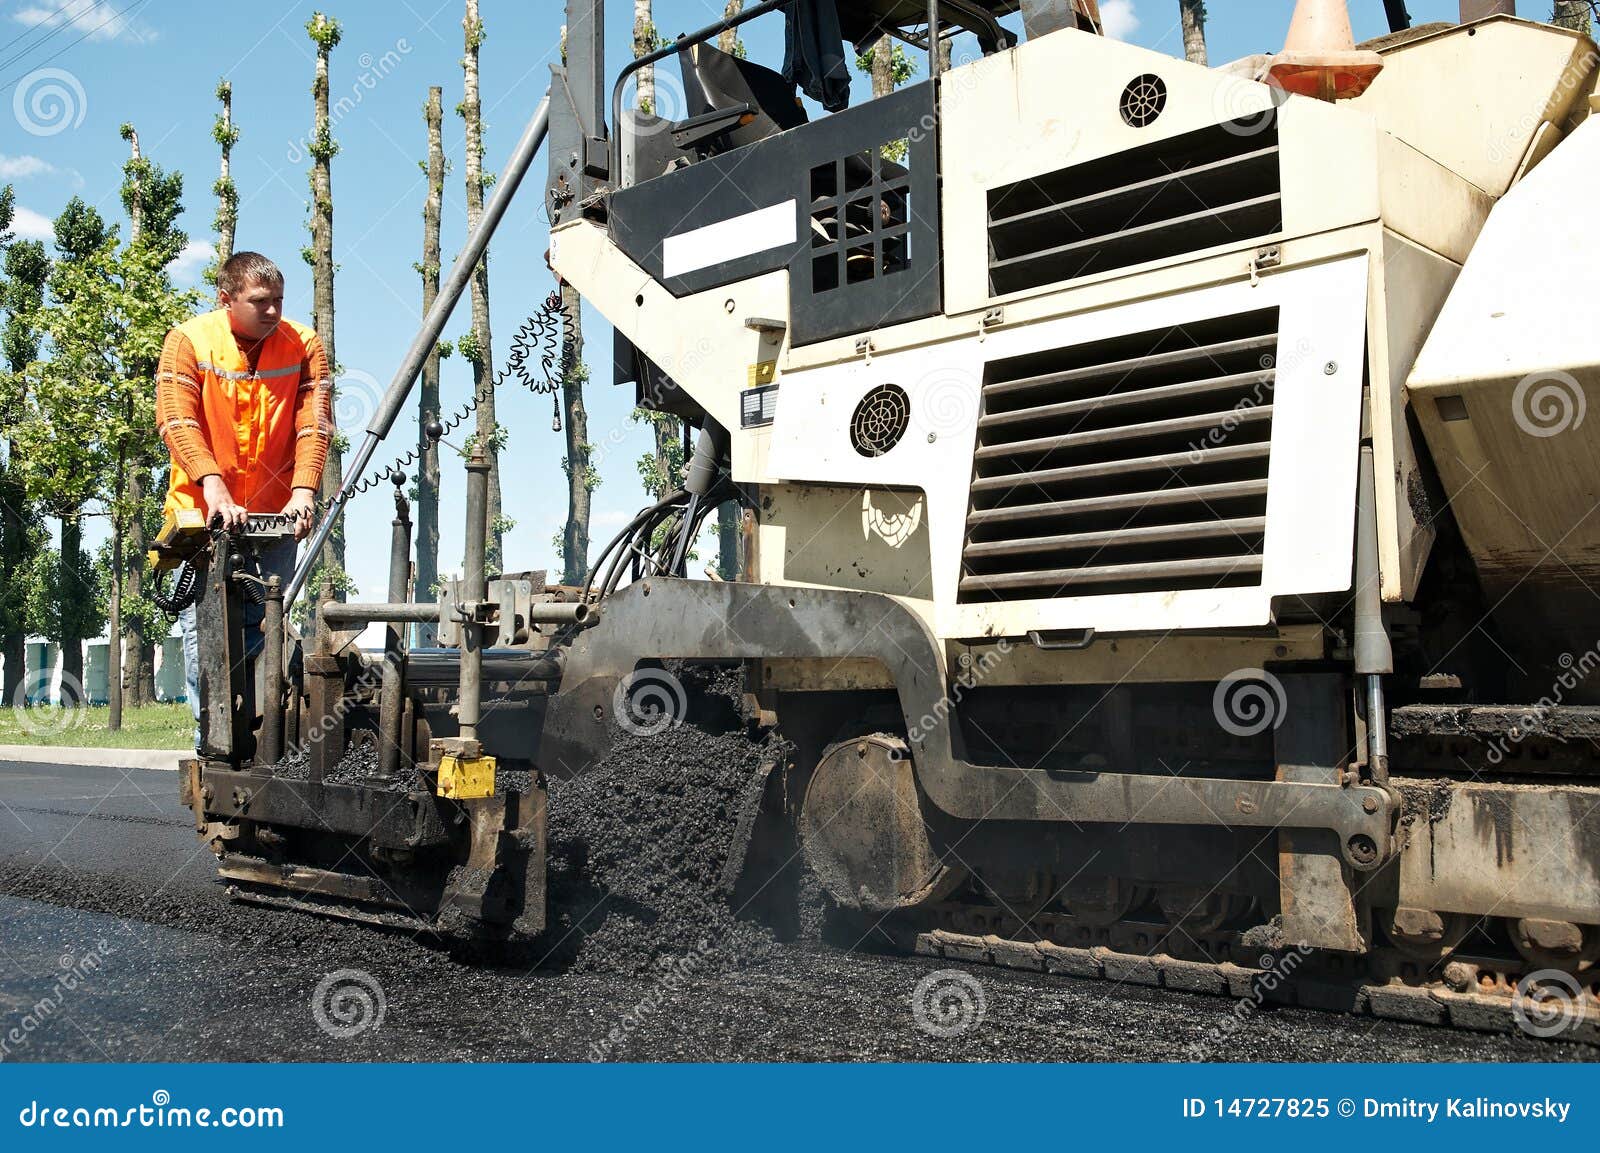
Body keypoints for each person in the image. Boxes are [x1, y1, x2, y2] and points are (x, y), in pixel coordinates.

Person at [154, 251, 333, 747]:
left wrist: (303, 490)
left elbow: (313, 422)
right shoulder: (188, 341)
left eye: (278, 300)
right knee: (206, 634)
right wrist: (212, 485)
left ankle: (261, 743)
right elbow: (177, 419)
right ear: (226, 299)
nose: (273, 311)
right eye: (260, 302)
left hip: (275, 517)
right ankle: (211, 745)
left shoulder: (303, 344)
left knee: (263, 626)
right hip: (203, 515)